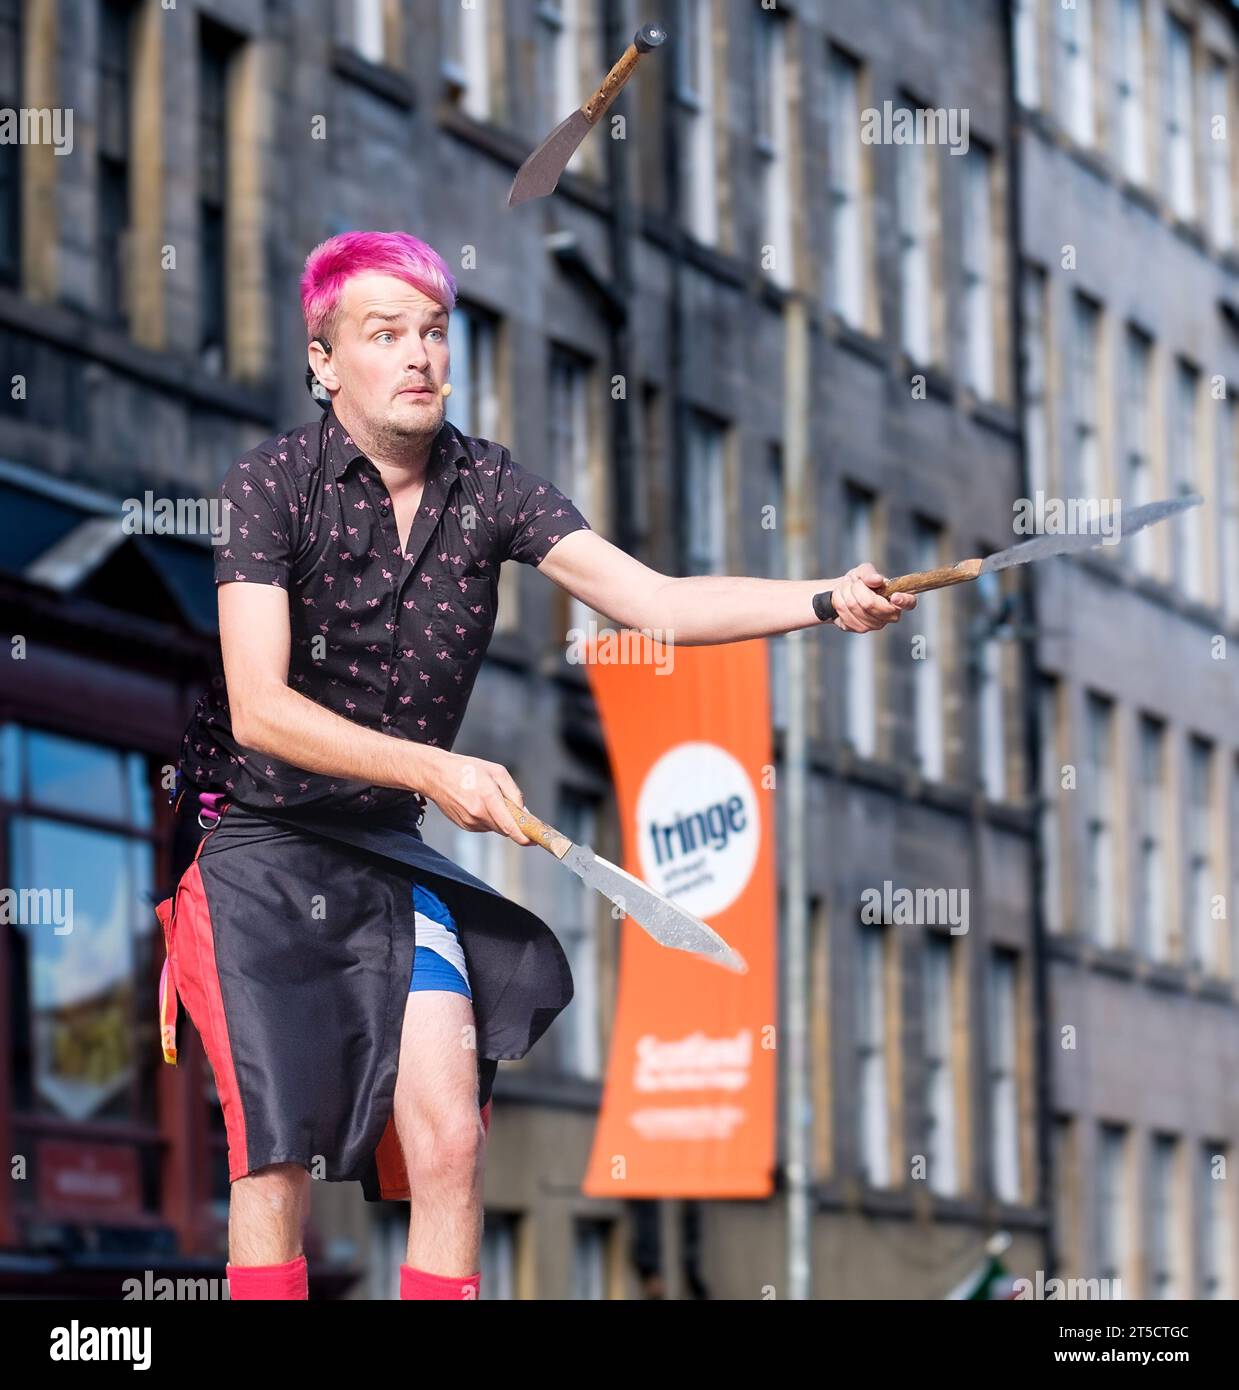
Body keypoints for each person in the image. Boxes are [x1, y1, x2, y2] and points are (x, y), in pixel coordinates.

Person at [160, 229, 915, 1301]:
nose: (420, 354)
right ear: (324, 359)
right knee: (276, 1156)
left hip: (385, 852)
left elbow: (654, 600)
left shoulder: (491, 486)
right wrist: (434, 769)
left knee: (453, 1144)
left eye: (434, 331)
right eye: (386, 333)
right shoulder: (270, 485)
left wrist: (823, 600)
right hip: (264, 847)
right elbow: (262, 708)